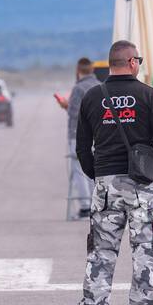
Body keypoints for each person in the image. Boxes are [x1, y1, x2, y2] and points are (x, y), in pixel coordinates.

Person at [73, 40, 153, 305]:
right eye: (138, 60)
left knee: (101, 253)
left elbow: (81, 147)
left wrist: (98, 174)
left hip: (105, 185)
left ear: (111, 63)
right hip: (142, 186)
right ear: (131, 62)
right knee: (145, 253)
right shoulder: (148, 96)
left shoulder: (93, 96)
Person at [60, 57, 98, 218]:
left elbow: (74, 113)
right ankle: (94, 204)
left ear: (78, 70)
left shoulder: (78, 89)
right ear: (92, 70)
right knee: (92, 170)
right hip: (97, 135)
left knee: (78, 171)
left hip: (78, 135)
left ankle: (84, 206)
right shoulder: (100, 86)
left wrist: (65, 105)